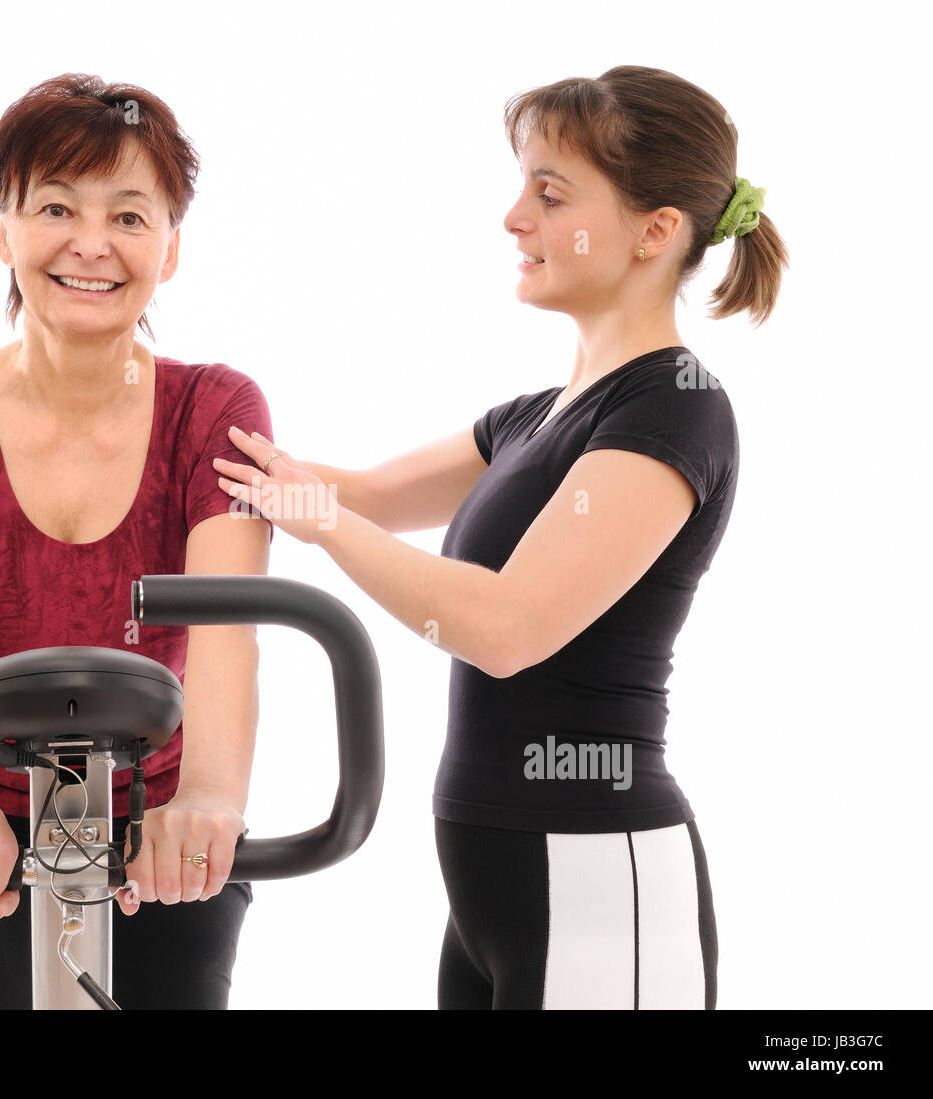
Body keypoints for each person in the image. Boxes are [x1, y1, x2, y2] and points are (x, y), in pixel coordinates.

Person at [215, 65, 789, 1009]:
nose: (514, 216)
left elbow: (506, 627)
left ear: (657, 230)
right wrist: (186, 435)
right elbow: (348, 492)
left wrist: (319, 524)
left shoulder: (676, 409)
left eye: (549, 192)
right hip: (493, 885)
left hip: (598, 876)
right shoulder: (536, 417)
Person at [0, 73, 275, 1009]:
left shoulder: (215, 407)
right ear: (2, 229)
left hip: (160, 824)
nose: (93, 245)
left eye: (131, 217)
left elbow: (228, 635)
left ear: (170, 248)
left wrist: (208, 802)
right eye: (56, 207)